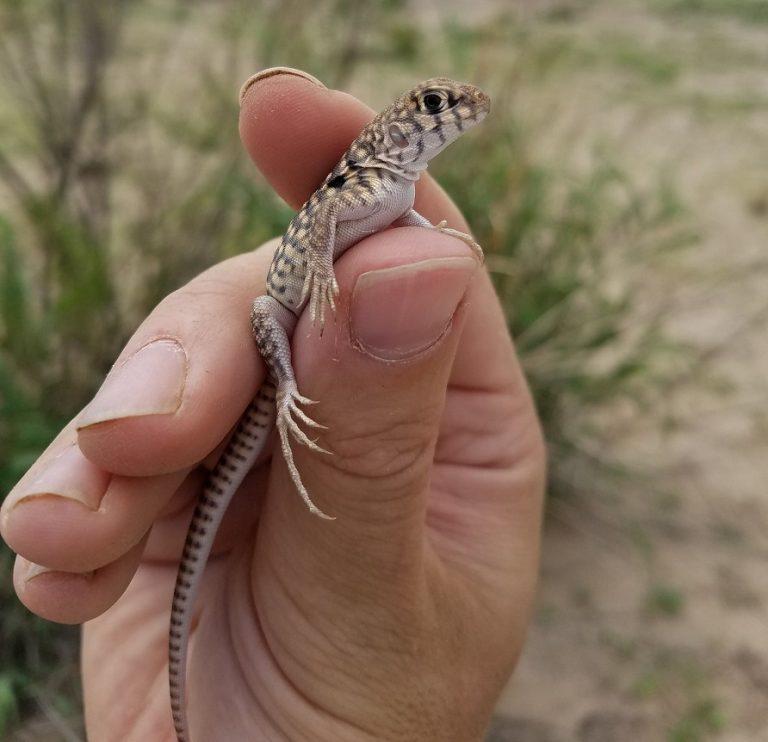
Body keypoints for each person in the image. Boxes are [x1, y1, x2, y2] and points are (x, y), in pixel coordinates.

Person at [0, 69, 546, 741]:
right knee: (261, 307)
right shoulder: (367, 180)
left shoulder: (399, 188)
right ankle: (288, 389)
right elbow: (330, 219)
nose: (459, 111)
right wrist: (288, 374)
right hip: (281, 322)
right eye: (437, 105)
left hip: (304, 329)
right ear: (397, 126)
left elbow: (375, 216)